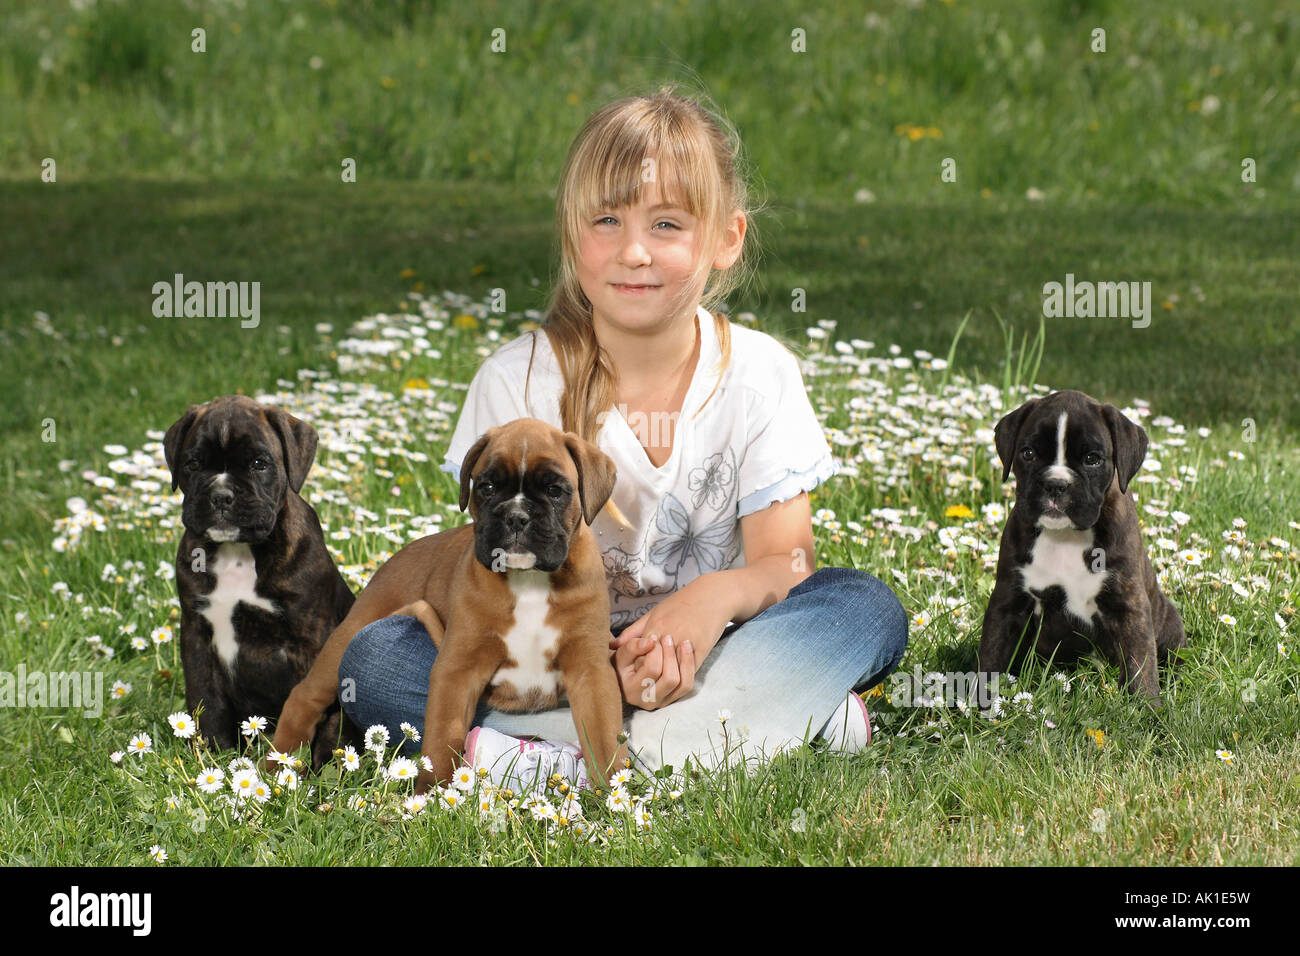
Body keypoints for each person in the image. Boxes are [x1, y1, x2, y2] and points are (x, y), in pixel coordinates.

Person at [337, 85, 908, 789]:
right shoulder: (516, 381)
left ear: (727, 238)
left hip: (711, 657)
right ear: (572, 234)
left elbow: (785, 566)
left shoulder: (761, 374)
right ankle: (765, 730)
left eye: (666, 224)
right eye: (606, 220)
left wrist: (708, 604)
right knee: (380, 660)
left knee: (862, 605)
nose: (634, 251)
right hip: (541, 667)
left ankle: (534, 766)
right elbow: (476, 588)